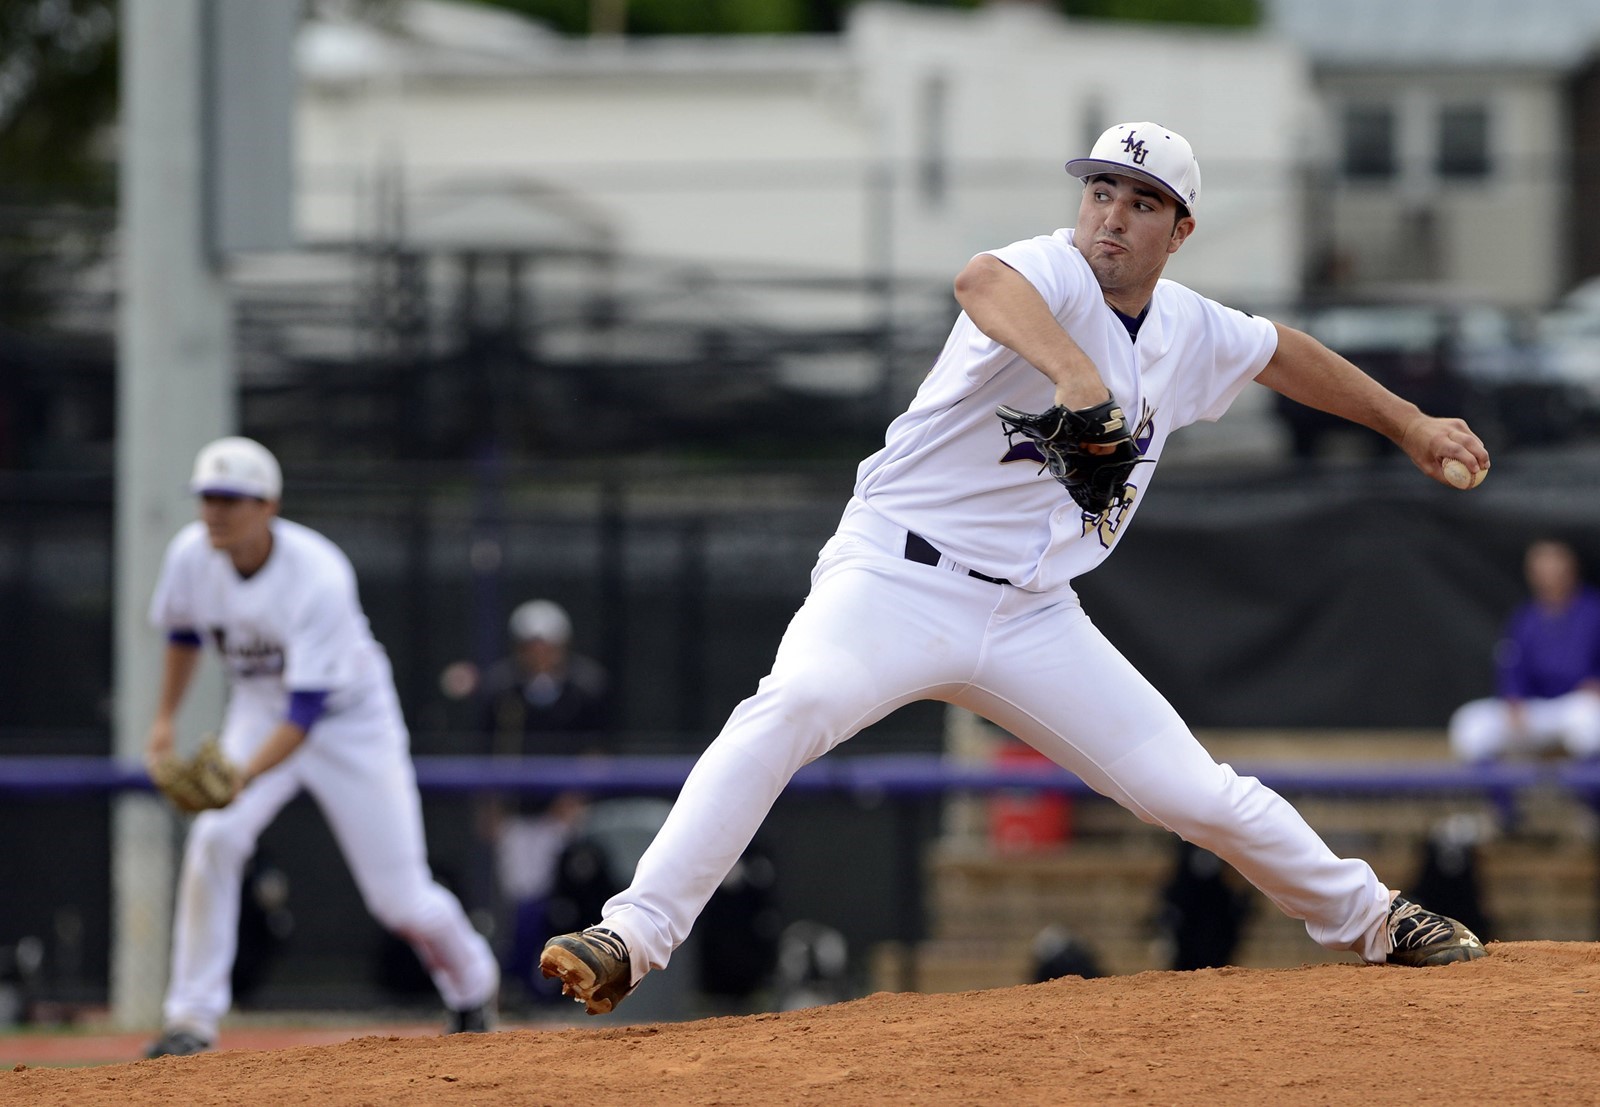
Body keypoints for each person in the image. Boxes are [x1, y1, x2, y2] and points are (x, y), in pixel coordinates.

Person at [540, 121, 1491, 1016]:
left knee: (1192, 791)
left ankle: (1374, 918)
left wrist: (1407, 421)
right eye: (1101, 190)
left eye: (1143, 201)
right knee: (788, 709)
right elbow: (978, 281)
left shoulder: (1185, 331)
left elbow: (1284, 352)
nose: (1112, 215)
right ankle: (631, 933)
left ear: (1181, 229)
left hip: (1034, 611)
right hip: (896, 576)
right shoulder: (1052, 275)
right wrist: (1077, 381)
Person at [142, 436, 500, 1057]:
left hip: (350, 722)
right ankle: (191, 1021)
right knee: (216, 839)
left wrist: (241, 776)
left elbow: (305, 715)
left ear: (269, 505)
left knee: (401, 899)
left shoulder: (319, 573)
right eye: (208, 498)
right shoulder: (191, 557)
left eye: (232, 499)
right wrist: (163, 723)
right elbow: (182, 634)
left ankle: (473, 986)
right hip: (259, 712)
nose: (216, 512)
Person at [475, 599, 614, 998]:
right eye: (531, 645)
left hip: (566, 812)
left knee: (566, 893)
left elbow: (597, 751)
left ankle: (564, 981)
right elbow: (486, 754)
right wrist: (491, 807)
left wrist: (575, 796)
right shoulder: (502, 690)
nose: (539, 653)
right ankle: (524, 977)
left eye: (546, 645)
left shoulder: (585, 687)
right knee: (521, 896)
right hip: (519, 811)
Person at [1448, 538, 1600, 762]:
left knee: (1588, 719)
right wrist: (1514, 697)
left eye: (1555, 567)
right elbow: (1510, 665)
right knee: (1470, 722)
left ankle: (1589, 793)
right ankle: (1502, 797)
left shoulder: (1593, 610)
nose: (1549, 575)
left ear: (1571, 569)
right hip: (1535, 710)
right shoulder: (1524, 618)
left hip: (1577, 706)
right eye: (1541, 569)